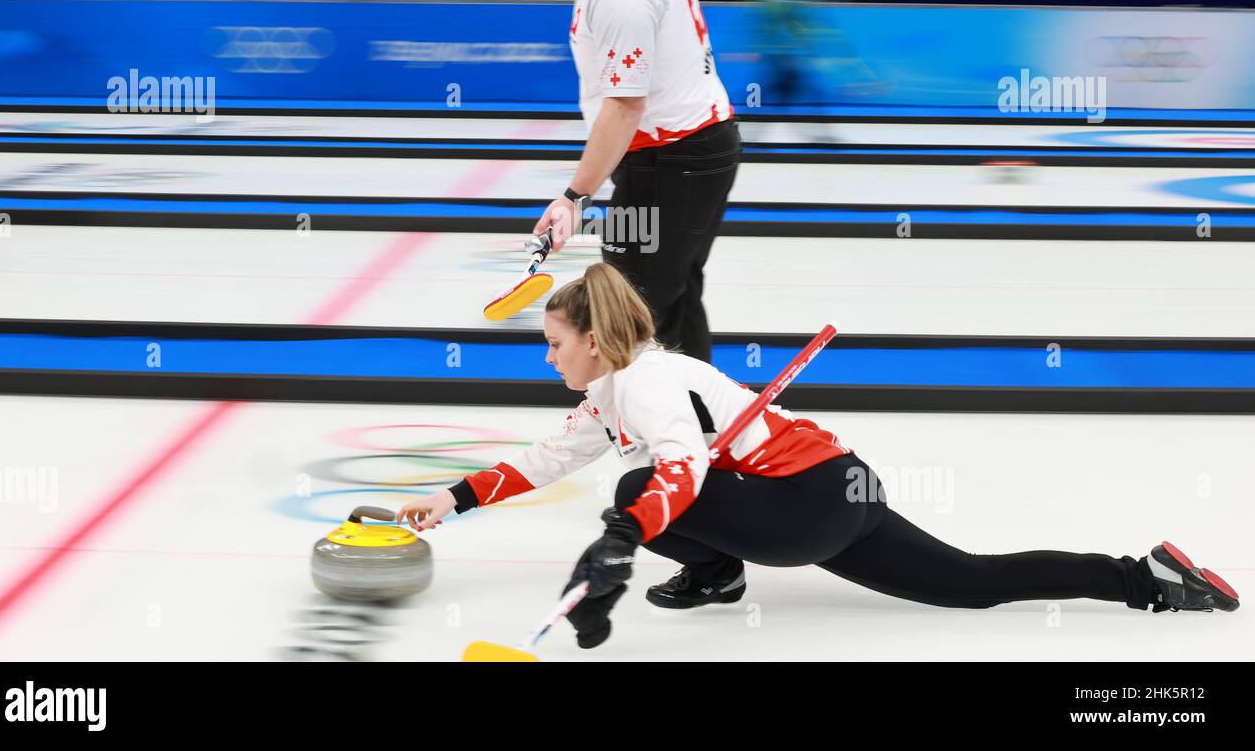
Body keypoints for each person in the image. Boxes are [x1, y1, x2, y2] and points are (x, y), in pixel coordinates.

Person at [397, 264, 1240, 649]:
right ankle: (1148, 578)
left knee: (635, 484)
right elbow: (545, 460)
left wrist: (623, 534)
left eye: (553, 343)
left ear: (593, 337)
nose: (546, 357)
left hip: (806, 501)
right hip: (839, 488)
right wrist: (453, 499)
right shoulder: (613, 393)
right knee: (971, 584)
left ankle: (716, 572)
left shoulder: (649, 384)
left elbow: (680, 472)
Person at [510, 0, 740, 364]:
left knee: (621, 320)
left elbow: (624, 107)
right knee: (671, 305)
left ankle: (624, 432)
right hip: (694, 151)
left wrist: (574, 197)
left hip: (671, 164)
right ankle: (699, 429)